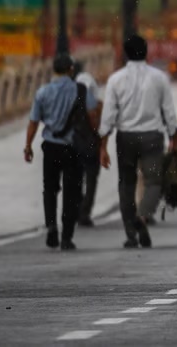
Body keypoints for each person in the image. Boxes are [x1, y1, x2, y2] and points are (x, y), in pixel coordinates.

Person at [99, 35, 177, 249]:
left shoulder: (116, 79)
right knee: (153, 181)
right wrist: (175, 139)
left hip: (125, 137)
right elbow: (169, 112)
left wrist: (103, 145)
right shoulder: (159, 78)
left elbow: (108, 114)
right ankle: (143, 216)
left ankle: (130, 234)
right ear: (146, 52)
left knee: (126, 184)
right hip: (152, 136)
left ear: (125, 54)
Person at [24, 55, 98, 250]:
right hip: (73, 147)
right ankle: (66, 236)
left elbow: (33, 122)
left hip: (50, 146)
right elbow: (92, 115)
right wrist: (96, 136)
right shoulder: (81, 90)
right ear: (71, 69)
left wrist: (28, 145)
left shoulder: (43, 92)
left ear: (54, 70)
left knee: (50, 189)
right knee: (72, 192)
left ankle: (51, 227)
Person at [72, 60, 104, 227]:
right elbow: (93, 115)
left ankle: (76, 210)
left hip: (73, 141)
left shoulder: (69, 93)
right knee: (91, 178)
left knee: (76, 178)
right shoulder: (88, 92)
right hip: (90, 140)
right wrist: (98, 132)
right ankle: (84, 213)